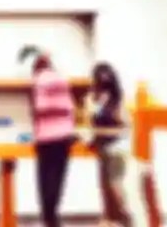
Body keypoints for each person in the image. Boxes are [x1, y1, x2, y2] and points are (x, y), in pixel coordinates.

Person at [25, 47, 76, 227]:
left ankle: (46, 217)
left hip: (45, 136)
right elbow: (70, 107)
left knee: (44, 177)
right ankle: (53, 217)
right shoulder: (62, 79)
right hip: (64, 135)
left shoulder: (37, 81)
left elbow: (38, 108)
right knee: (58, 177)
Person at [88, 62, 131, 227]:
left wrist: (100, 133)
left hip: (116, 148)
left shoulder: (117, 100)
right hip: (102, 149)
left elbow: (125, 128)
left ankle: (126, 219)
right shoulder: (96, 100)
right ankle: (111, 220)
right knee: (104, 187)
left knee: (115, 185)